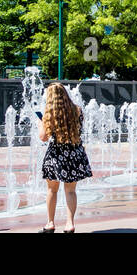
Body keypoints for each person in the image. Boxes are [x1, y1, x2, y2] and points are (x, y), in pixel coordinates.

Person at [38, 82, 93, 233]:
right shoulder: (78, 110)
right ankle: (70, 223)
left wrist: (40, 121)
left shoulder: (50, 114)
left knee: (52, 190)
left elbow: (43, 137)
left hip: (56, 154)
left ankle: (50, 223)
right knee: (70, 191)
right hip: (75, 153)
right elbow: (79, 130)